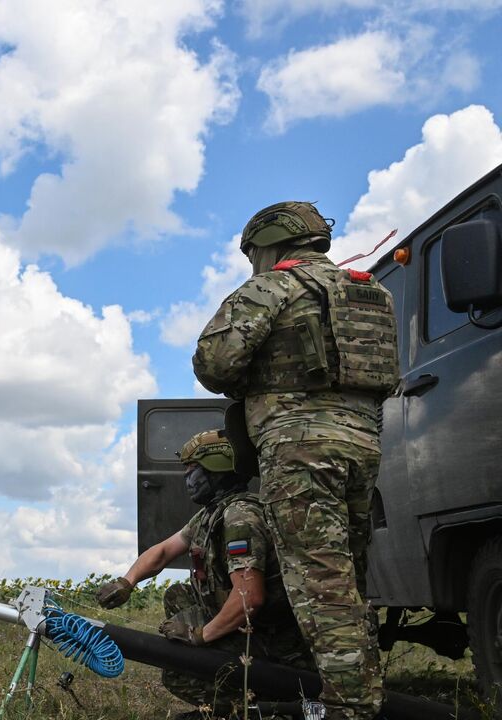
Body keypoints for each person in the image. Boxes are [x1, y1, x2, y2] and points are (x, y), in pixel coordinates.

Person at [191, 201, 400, 720]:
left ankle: (350, 705)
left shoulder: (273, 288)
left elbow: (214, 365)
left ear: (272, 240)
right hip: (362, 444)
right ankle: (360, 688)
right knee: (347, 575)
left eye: (254, 251)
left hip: (298, 446)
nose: (253, 262)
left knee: (318, 580)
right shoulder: (371, 290)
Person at [96, 429, 314, 719]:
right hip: (250, 627)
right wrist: (126, 582)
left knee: (178, 674)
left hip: (272, 639)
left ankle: (260, 706)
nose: (187, 478)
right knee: (177, 596)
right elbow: (162, 552)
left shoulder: (240, 518)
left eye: (193, 469)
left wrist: (200, 637)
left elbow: (250, 598)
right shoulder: (211, 514)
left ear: (218, 469)